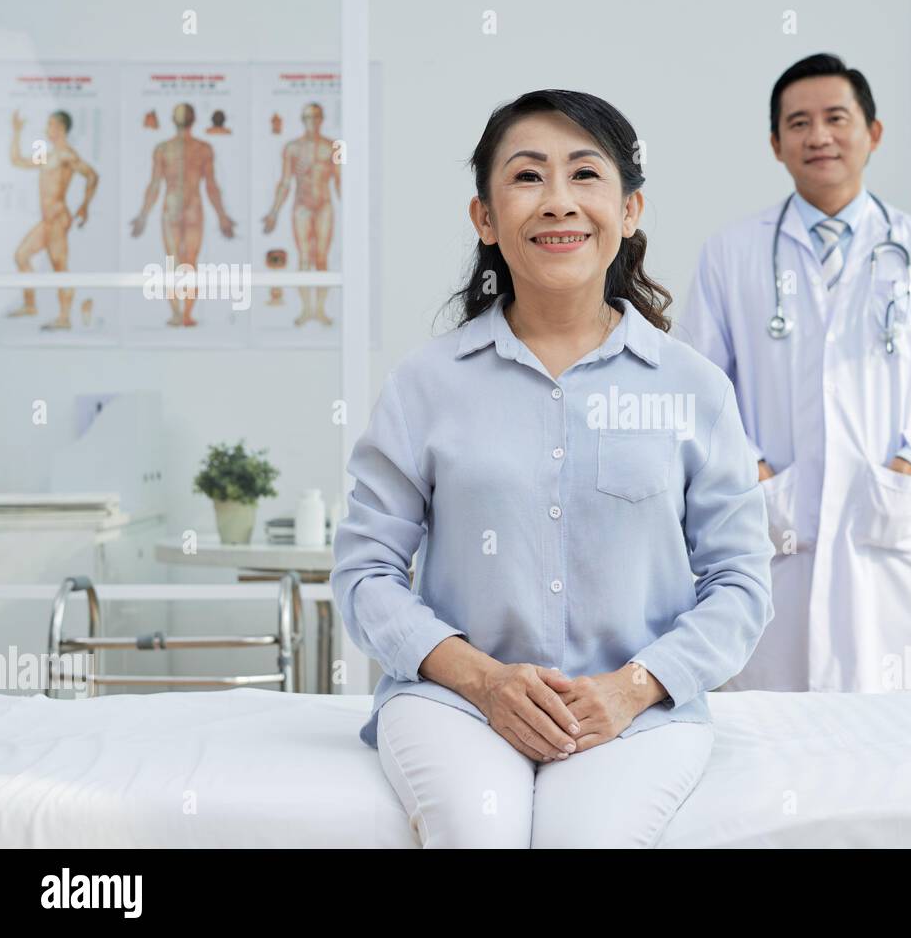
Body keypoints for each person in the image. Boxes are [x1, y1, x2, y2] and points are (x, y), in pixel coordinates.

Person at [330, 89, 774, 848]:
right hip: (454, 703)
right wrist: (483, 679)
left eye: (586, 175)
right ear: (485, 218)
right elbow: (365, 571)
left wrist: (632, 688)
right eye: (528, 177)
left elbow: (740, 583)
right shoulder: (426, 383)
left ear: (629, 210)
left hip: (639, 711)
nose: (559, 202)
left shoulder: (691, 386)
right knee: (477, 828)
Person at [682, 53, 911, 694]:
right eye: (798, 123)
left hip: (883, 524)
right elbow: (695, 388)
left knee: (888, 734)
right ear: (776, 144)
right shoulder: (731, 254)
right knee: (769, 731)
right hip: (773, 529)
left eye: (836, 118)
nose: (819, 136)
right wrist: (753, 472)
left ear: (873, 133)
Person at [130, 103, 236, 328]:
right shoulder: (162, 149)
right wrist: (143, 214)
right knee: (173, 263)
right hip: (172, 207)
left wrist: (222, 215)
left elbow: (211, 185)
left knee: (189, 263)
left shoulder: (203, 148)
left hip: (192, 208)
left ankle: (186, 313)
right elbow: (155, 184)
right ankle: (176, 312)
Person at [8, 109, 98, 330]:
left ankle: (65, 318)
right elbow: (17, 161)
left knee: (60, 267)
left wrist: (85, 206)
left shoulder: (67, 154)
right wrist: (17, 132)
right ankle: (30, 305)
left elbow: (92, 175)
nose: (46, 129)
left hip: (58, 217)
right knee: (21, 256)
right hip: (47, 220)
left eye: (50, 124)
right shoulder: (48, 155)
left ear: (59, 127)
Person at [262, 102, 339, 326]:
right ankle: (307, 310)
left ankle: (321, 310)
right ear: (302, 120)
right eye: (307, 117)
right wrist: (274, 212)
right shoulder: (292, 148)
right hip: (302, 206)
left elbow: (341, 180)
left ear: (322, 119)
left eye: (315, 117)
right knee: (304, 258)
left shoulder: (334, 147)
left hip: (324, 204)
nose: (311, 122)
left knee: (322, 257)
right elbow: (285, 182)